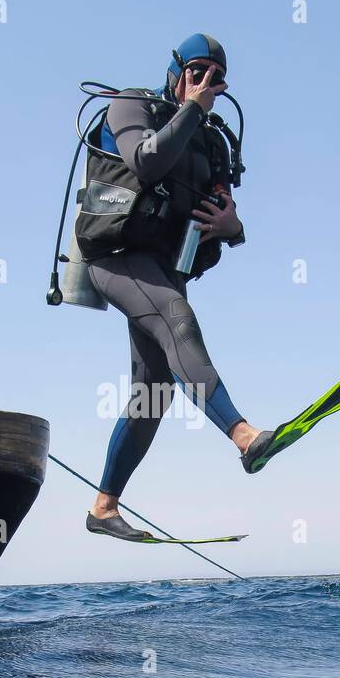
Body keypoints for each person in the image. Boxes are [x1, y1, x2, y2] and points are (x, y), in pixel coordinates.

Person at [79, 33, 267, 541]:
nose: (204, 82)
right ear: (175, 71)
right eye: (195, 70)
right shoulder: (130, 105)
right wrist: (190, 109)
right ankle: (244, 436)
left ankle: (103, 508)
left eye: (215, 76)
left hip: (164, 269)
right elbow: (145, 162)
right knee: (176, 317)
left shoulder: (213, 142)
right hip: (115, 259)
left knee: (152, 395)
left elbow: (225, 211)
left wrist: (235, 228)